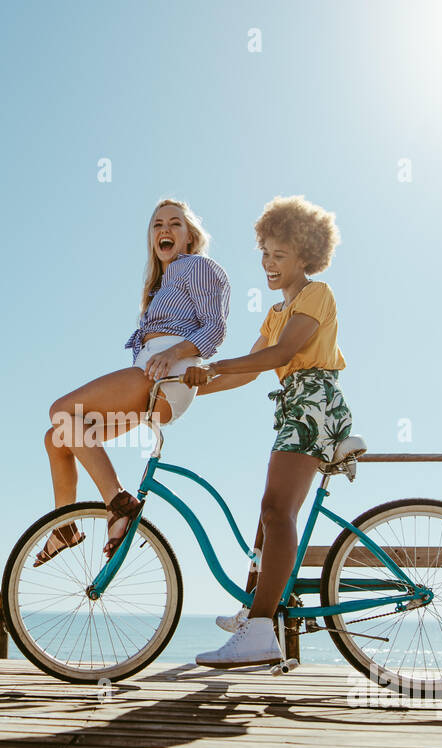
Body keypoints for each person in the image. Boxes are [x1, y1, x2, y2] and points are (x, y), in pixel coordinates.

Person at [182, 195, 353, 667]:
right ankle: (254, 613)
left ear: (305, 256)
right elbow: (246, 373)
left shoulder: (315, 295)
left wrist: (212, 364)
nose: (269, 263)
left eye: (280, 255)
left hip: (315, 404)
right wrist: (185, 394)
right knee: (268, 518)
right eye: (265, 253)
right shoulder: (275, 314)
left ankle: (260, 629)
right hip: (295, 408)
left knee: (277, 512)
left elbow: (279, 356)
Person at [37, 198, 230, 565]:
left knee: (60, 410)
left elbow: (215, 327)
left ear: (190, 238)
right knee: (58, 436)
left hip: (164, 377)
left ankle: (120, 504)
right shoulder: (160, 285)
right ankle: (64, 527)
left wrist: (172, 356)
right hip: (151, 379)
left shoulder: (198, 267)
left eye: (175, 224)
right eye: (158, 225)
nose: (164, 230)